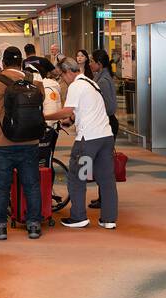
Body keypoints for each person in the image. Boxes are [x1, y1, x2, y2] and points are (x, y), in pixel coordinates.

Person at [0, 46, 43, 241]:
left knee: (2, 186)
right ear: (21, 63)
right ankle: (34, 226)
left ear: (3, 63)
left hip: (1, 143)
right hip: (30, 141)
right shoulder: (34, 82)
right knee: (31, 185)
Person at [48, 58, 118, 229]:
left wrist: (44, 116)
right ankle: (108, 219)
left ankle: (79, 216)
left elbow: (66, 110)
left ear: (68, 72)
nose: (63, 80)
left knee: (77, 177)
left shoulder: (76, 86)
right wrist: (71, 120)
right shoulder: (91, 83)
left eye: (62, 75)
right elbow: (84, 110)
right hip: (105, 139)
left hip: (88, 142)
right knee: (106, 179)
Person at [87, 48, 120, 211]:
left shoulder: (103, 81)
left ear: (99, 64)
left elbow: (109, 106)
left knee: (103, 164)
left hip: (107, 123)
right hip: (105, 123)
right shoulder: (101, 77)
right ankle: (102, 197)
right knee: (101, 163)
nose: (90, 63)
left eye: (92, 61)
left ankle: (105, 198)